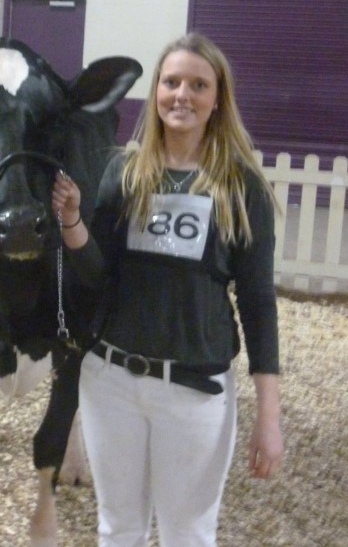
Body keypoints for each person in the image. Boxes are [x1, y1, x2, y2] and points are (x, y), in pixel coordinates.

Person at [51, 33, 284, 546]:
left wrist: (269, 413)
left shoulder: (241, 187)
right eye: (172, 81)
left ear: (217, 99)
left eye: (198, 85)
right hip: (111, 381)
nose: (183, 95)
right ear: (155, 91)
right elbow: (97, 272)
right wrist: (72, 223)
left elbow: (258, 303)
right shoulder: (125, 172)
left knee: (187, 534)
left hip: (195, 392)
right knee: (118, 528)